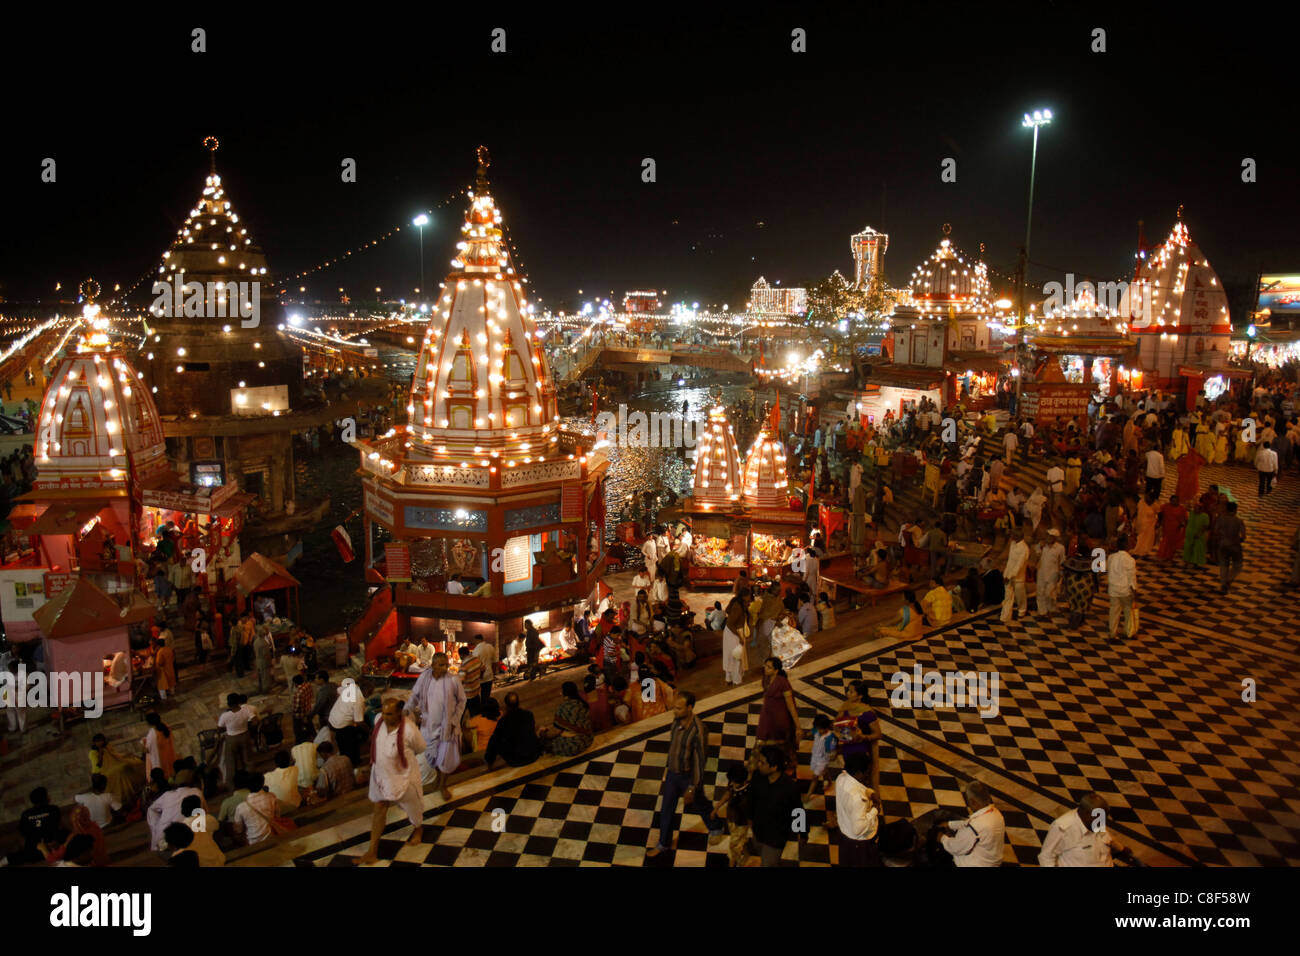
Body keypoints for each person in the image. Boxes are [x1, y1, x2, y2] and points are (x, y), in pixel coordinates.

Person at [647, 691, 721, 857]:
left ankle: (716, 827)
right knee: (666, 808)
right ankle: (664, 843)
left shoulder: (698, 730)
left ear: (689, 707)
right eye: (674, 707)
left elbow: (700, 760)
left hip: (688, 776)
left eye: (679, 708)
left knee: (700, 804)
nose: (675, 711)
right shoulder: (676, 721)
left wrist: (692, 787)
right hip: (673, 774)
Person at [357, 698, 427, 864]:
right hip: (380, 776)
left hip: (403, 777)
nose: (385, 717)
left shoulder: (409, 730)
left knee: (413, 809)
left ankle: (418, 829)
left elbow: (420, 748)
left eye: (389, 714)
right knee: (379, 809)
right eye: (383, 712)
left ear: (399, 713)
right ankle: (372, 851)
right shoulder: (378, 721)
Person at [404, 652, 466, 800]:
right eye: (441, 665)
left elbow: (462, 701)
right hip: (428, 726)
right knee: (432, 756)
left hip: (447, 727)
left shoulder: (453, 680)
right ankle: (438, 780)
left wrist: (454, 720)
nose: (445, 668)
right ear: (433, 665)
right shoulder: (424, 678)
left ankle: (443, 785)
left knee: (445, 758)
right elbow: (414, 696)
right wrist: (407, 709)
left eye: (446, 664)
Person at [745, 746, 806, 866]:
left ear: (774, 767)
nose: (758, 765)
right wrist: (750, 819)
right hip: (758, 831)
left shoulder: (790, 788)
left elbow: (798, 811)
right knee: (764, 856)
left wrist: (802, 833)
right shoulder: (757, 776)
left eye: (762, 763)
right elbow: (750, 799)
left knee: (768, 863)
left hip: (775, 837)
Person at [937, 780, 1005, 867]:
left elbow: (956, 848)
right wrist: (950, 824)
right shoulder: (996, 813)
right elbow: (971, 823)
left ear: (973, 802)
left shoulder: (975, 827)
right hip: (993, 860)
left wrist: (942, 838)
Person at [834, 752, 882, 866]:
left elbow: (856, 787)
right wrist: (875, 810)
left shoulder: (841, 778)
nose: (868, 775)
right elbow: (858, 829)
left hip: (845, 836)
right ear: (859, 773)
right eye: (867, 772)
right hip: (859, 844)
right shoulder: (857, 799)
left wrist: (869, 793)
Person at [755, 657, 801, 769]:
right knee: (760, 740)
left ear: (776, 670)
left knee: (782, 743)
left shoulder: (783, 683)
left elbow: (790, 705)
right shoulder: (765, 678)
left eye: (769, 667)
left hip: (779, 718)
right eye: (765, 666)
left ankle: (788, 761)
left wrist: (798, 726)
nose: (765, 669)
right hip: (767, 715)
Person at [484, 691, 541, 769]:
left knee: (494, 739)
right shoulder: (528, 715)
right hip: (533, 754)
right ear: (518, 703)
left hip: (516, 759)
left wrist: (489, 759)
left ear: (506, 705)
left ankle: (489, 762)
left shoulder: (503, 721)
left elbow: (495, 740)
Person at [539, 681, 594, 756]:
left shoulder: (563, 708)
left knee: (544, 742)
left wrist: (543, 733)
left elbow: (556, 732)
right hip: (588, 739)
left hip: (575, 744)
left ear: (564, 692)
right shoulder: (583, 704)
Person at [217, 692, 256, 790]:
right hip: (244, 735)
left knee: (231, 762)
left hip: (231, 738)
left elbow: (219, 729)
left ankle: (232, 785)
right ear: (238, 701)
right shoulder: (245, 710)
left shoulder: (225, 715)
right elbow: (256, 721)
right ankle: (251, 780)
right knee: (248, 760)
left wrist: (228, 728)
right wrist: (249, 727)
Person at [231, 773, 280, 847]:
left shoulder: (241, 807)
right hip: (272, 836)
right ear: (263, 783)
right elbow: (277, 816)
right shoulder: (271, 797)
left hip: (253, 842)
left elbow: (238, 830)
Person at [1107, 535, 1138, 640]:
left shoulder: (1111, 558)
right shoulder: (1130, 560)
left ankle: (1112, 633)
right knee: (1128, 611)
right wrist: (1134, 591)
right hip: (1125, 590)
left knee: (1114, 611)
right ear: (1127, 546)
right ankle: (1128, 632)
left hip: (1113, 589)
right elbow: (1132, 578)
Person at [1215, 500, 1247, 595]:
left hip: (1223, 544)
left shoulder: (1221, 519)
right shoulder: (1239, 521)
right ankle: (1229, 580)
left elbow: (1216, 531)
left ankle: (1223, 585)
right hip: (1235, 546)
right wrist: (1239, 539)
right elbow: (1243, 536)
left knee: (1224, 566)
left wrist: (1223, 536)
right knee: (1237, 565)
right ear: (1235, 510)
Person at [1000, 529, 1031, 622]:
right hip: (1008, 575)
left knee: (1019, 596)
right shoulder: (1013, 544)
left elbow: (1019, 565)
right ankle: (1006, 615)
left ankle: (1021, 611)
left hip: (1018, 577)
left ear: (1018, 536)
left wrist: (1010, 576)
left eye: (1013, 535)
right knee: (1008, 595)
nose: (1011, 537)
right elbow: (1010, 561)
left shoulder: (1024, 549)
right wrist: (1006, 573)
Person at [808, 714, 841, 795]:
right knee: (825, 771)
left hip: (823, 760)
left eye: (820, 729)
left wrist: (834, 754)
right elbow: (812, 732)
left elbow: (833, 751)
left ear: (826, 727)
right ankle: (829, 781)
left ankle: (808, 795)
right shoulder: (816, 730)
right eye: (817, 728)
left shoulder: (830, 738)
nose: (818, 731)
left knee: (815, 777)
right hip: (815, 756)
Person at [722, 589, 749, 686]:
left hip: (731, 632)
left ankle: (728, 679)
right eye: (748, 598)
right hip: (734, 632)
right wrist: (740, 637)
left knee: (730, 656)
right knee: (737, 657)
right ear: (744, 597)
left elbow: (727, 611)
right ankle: (736, 680)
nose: (749, 600)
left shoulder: (736, 603)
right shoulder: (738, 607)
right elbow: (730, 623)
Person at [1036, 529, 1066, 616]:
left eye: (1051, 536)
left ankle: (1051, 609)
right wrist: (1040, 547)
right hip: (1041, 571)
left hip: (1053, 574)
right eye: (1048, 535)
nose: (1049, 538)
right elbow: (1037, 554)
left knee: (1050, 593)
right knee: (1040, 592)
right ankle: (1042, 612)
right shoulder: (1042, 545)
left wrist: (1061, 574)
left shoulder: (1060, 548)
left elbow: (1062, 561)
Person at [140, 711, 176, 780]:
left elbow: (146, 750)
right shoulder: (165, 726)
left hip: (158, 760)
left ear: (149, 723)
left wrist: (144, 743)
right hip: (168, 755)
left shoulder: (152, 734)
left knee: (162, 775)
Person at [1156, 494, 1188, 561]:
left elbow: (1185, 519)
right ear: (1170, 500)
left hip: (1176, 528)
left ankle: (1169, 555)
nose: (1174, 502)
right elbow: (1160, 513)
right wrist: (1159, 522)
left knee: (1172, 543)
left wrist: (1182, 525)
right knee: (1165, 541)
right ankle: (1163, 554)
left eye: (1176, 501)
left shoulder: (1182, 509)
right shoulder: (1165, 506)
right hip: (1166, 526)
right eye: (1173, 501)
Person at [472, 635, 499, 708]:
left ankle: (483, 711)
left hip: (481, 677)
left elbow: (475, 665)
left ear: (476, 640)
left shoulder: (476, 650)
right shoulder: (490, 647)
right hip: (489, 675)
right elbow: (495, 662)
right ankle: (487, 709)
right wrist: (493, 673)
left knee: (481, 696)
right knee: (487, 695)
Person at [1183, 500, 1210, 567]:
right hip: (1190, 534)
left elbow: (1205, 526)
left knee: (1197, 549)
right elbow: (1186, 510)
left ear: (1201, 509)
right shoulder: (1192, 513)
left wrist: (1199, 534)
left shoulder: (1205, 516)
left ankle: (1195, 562)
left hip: (1199, 535)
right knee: (1188, 547)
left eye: (1197, 508)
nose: (1195, 509)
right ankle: (1187, 561)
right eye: (1195, 507)